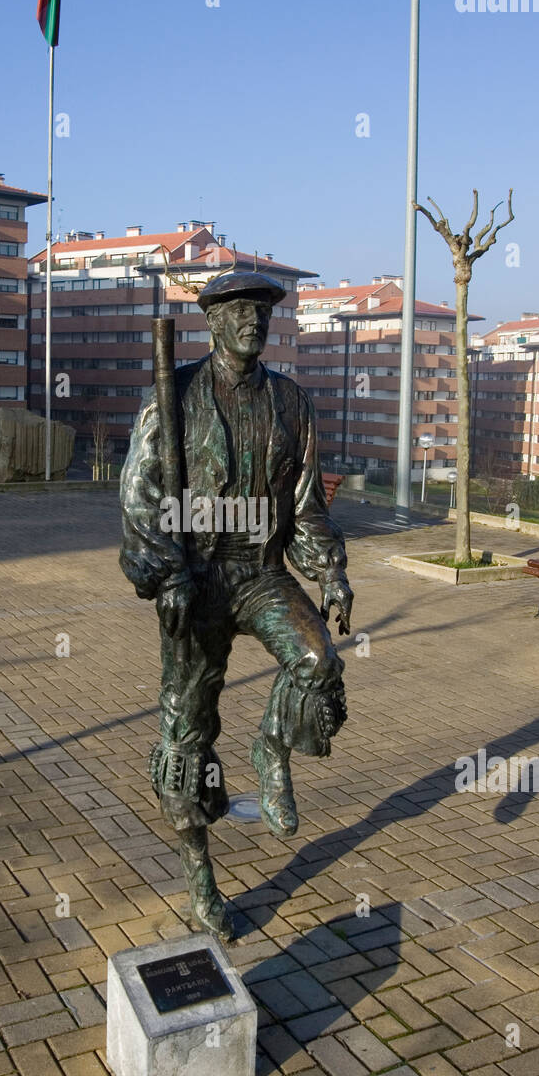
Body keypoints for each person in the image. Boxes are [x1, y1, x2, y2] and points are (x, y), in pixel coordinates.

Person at [120, 271, 353, 939]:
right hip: (196, 581)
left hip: (259, 574)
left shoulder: (290, 403)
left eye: (262, 310)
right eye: (239, 311)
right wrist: (165, 575)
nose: (253, 320)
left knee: (316, 660)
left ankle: (271, 751)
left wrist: (330, 572)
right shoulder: (175, 397)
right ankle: (201, 879)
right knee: (186, 736)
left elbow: (305, 506)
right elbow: (140, 503)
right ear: (212, 321)